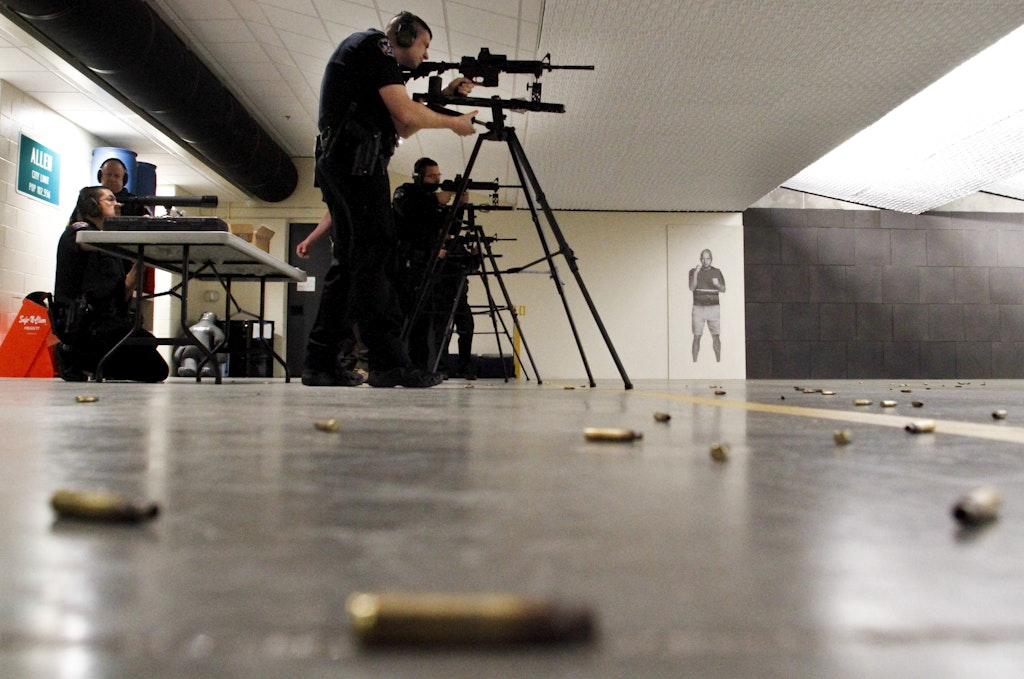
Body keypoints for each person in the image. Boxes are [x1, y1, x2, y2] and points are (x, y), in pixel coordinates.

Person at [303, 10, 477, 388]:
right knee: (376, 259)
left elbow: (404, 126)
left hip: (348, 162)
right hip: (357, 164)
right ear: (404, 34)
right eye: (424, 44)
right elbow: (405, 113)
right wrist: (454, 122)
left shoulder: (369, 60)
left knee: (350, 265)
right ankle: (387, 363)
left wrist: (445, 98)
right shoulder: (375, 46)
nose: (426, 54)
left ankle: (319, 362)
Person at [50, 186, 169, 382]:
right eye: (110, 200)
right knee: (152, 365)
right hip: (84, 325)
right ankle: (73, 353)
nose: (118, 204)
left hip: (106, 322)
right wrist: (133, 230)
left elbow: (123, 292)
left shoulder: (110, 246)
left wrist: (142, 258)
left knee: (151, 354)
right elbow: (87, 240)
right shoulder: (77, 231)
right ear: (92, 206)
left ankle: (89, 361)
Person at [393, 157, 475, 377]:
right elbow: (407, 211)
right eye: (431, 176)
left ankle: (419, 369)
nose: (436, 180)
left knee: (423, 321)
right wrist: (435, 199)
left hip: (426, 270)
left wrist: (459, 207)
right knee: (403, 319)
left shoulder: (432, 204)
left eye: (438, 176)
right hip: (406, 267)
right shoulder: (405, 193)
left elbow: (448, 228)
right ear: (418, 176)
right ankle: (396, 365)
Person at [295, 211, 368, 378]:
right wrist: (310, 239)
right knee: (346, 305)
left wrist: (311, 239)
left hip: (355, 249)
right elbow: (332, 210)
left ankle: (355, 362)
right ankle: (351, 362)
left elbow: (332, 210)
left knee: (352, 306)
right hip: (350, 249)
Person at [689, 248, 726, 362]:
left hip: (713, 308)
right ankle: (694, 362)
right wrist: (696, 273)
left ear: (711, 259)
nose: (705, 261)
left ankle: (718, 361)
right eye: (703, 258)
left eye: (708, 258)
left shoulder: (717, 271)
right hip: (698, 308)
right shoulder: (693, 271)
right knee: (696, 336)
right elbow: (692, 287)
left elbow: (723, 289)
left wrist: (717, 285)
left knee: (716, 336)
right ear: (700, 259)